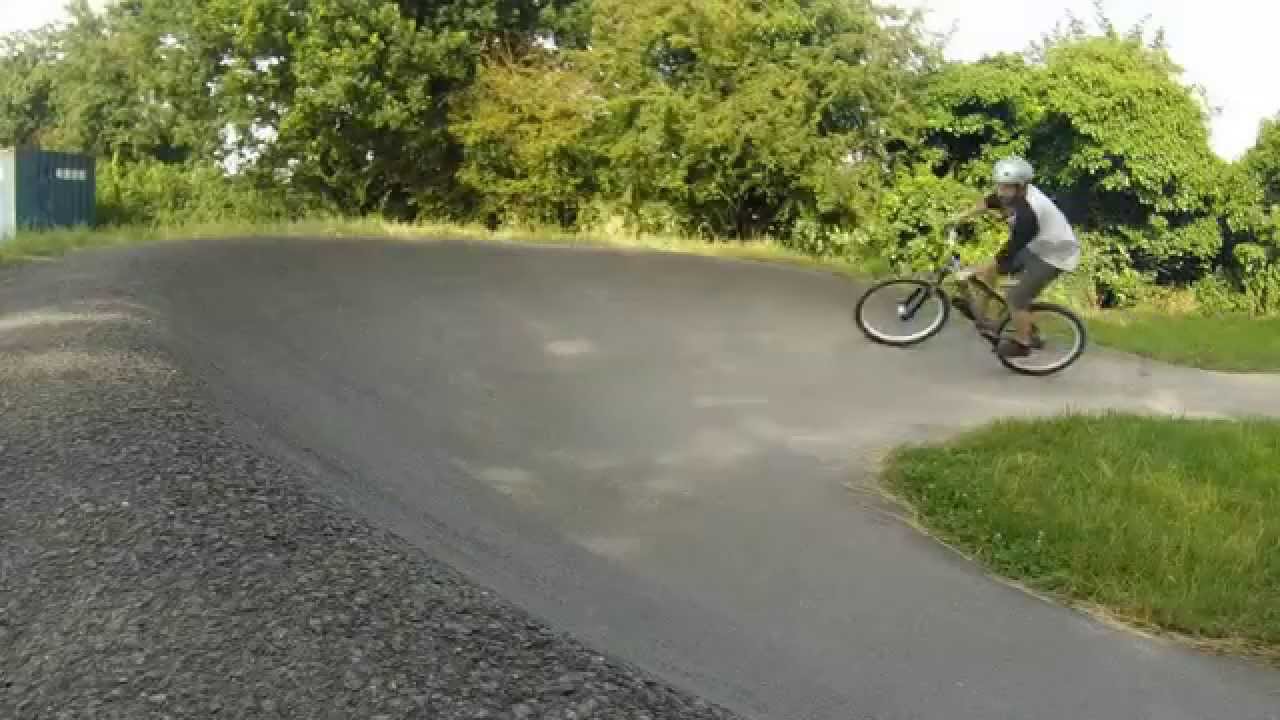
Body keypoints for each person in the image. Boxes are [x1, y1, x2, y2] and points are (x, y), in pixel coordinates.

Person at [949, 156, 1080, 358]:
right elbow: (988, 201)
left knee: (1016, 298)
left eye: (1006, 187)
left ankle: (1022, 343)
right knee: (991, 272)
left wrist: (973, 270)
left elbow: (1010, 250)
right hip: (1038, 245)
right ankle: (983, 315)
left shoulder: (1029, 212)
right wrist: (960, 216)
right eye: (999, 185)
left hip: (1055, 255)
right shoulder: (1013, 193)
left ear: (1020, 187)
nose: (1001, 191)